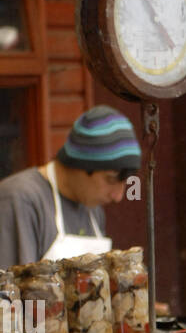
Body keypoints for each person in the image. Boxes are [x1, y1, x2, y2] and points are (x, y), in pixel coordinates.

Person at [0, 105, 141, 270]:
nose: (118, 196)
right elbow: (8, 292)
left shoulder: (92, 209)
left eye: (125, 183)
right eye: (110, 180)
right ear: (81, 165)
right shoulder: (20, 199)